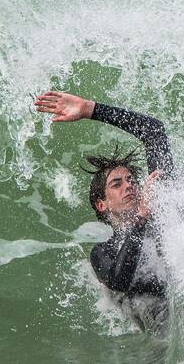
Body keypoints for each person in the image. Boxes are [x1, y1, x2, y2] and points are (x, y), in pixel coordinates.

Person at [34, 90, 173, 302]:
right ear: (102, 204)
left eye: (131, 180)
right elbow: (119, 281)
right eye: (117, 184)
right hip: (158, 316)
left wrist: (90, 109)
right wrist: (142, 218)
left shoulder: (162, 211)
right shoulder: (102, 252)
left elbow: (153, 130)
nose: (129, 186)